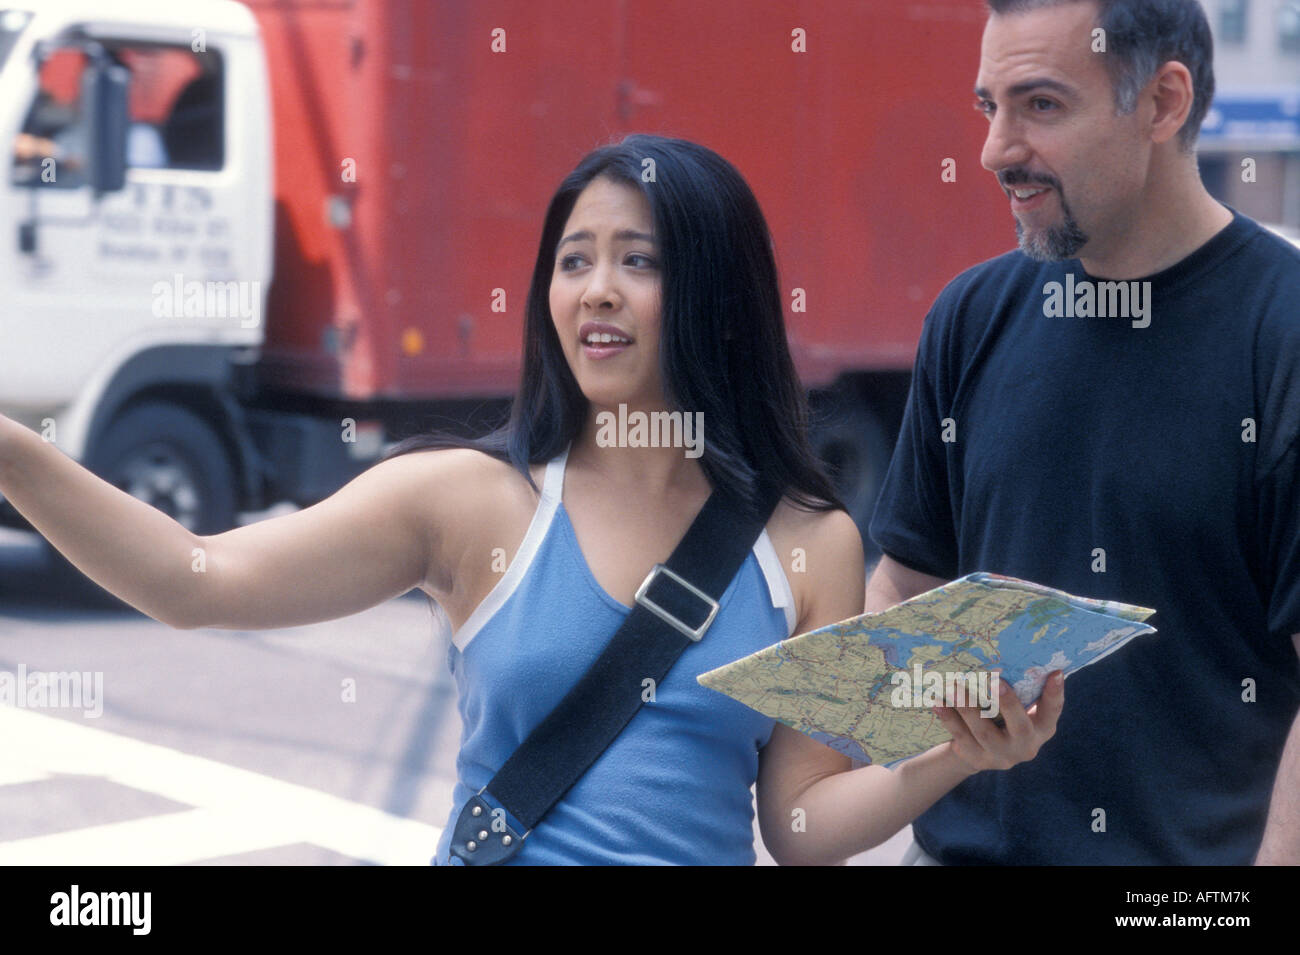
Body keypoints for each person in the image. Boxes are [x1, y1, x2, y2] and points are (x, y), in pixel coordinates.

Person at [0, 134, 1064, 866]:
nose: (593, 288)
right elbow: (196, 582)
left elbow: (794, 826)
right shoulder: (472, 502)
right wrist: (11, 454)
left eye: (637, 260)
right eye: (572, 259)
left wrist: (949, 752)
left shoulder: (808, 542)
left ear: (718, 299)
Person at [866, 0, 1300, 865]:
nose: (996, 150)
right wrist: (940, 705)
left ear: (1163, 103)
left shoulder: (1280, 329)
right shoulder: (969, 316)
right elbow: (904, 589)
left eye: (1041, 105)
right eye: (991, 107)